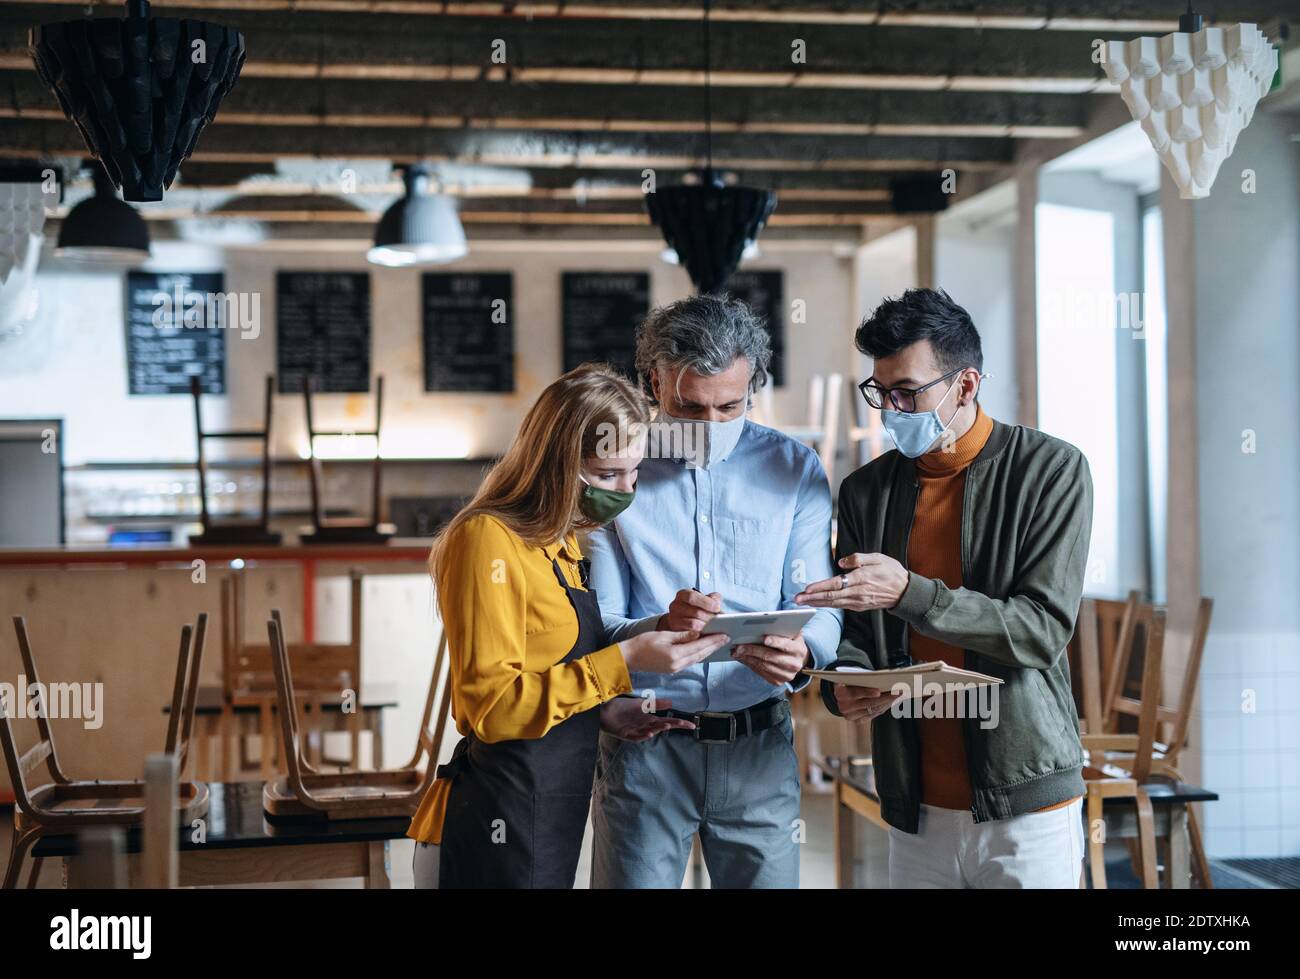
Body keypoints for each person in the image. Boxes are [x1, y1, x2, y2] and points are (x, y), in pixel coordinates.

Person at [796, 288, 1091, 888]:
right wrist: (846, 683)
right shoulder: (864, 491)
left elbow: (1040, 630)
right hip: (915, 800)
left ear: (966, 384)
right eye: (881, 392)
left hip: (1025, 798)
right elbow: (854, 630)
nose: (892, 409)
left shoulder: (1051, 471)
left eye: (908, 391)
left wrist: (910, 593)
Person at [407, 364, 729, 889]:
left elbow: (550, 671)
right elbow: (490, 710)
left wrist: (604, 713)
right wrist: (623, 663)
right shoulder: (487, 539)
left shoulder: (562, 544)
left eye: (634, 472)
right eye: (607, 476)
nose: (626, 492)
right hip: (490, 818)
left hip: (544, 816)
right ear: (555, 463)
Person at [586, 294, 843, 889]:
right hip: (645, 742)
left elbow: (818, 602)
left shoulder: (795, 469)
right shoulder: (617, 467)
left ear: (753, 386)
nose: (710, 426)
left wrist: (805, 653)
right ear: (655, 382)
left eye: (730, 406)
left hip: (758, 745)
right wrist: (657, 628)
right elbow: (601, 624)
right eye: (690, 407)